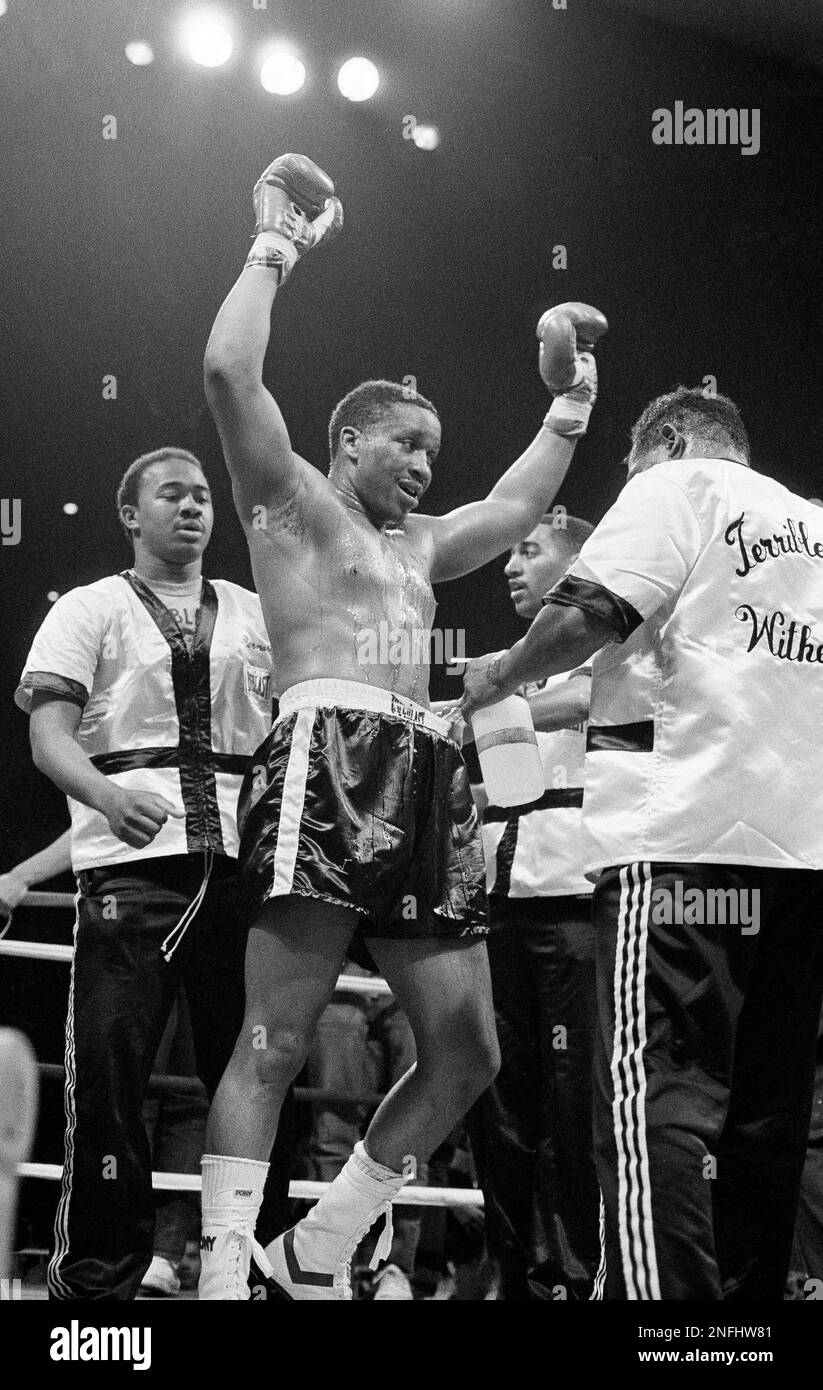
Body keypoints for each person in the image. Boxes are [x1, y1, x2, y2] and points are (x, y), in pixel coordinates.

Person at [197, 151, 606, 1299]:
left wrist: (570, 393)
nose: (425, 465)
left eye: (432, 449)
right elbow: (230, 371)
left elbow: (522, 501)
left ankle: (320, 1246)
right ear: (348, 444)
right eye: (405, 445)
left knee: (469, 1051)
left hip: (425, 769)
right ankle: (226, 1266)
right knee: (276, 1038)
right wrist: (274, 243)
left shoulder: (425, 547)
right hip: (324, 750)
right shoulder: (291, 504)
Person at [461, 385, 823, 1300]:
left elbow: (588, 616)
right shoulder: (814, 524)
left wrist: (495, 678)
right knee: (764, 1116)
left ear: (664, 440)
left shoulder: (674, 487)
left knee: (653, 1096)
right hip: (801, 856)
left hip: (681, 843)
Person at [14, 447, 292, 1299]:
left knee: (257, 1072)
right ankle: (98, 1282)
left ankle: (250, 1271)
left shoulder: (255, 611)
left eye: (204, 495)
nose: (193, 507)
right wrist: (103, 794)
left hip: (243, 879)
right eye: (171, 494)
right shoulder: (91, 608)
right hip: (130, 878)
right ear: (131, 514)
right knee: (109, 1082)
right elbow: (48, 733)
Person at [465, 513, 600, 1300]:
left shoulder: (613, 649)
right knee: (499, 1101)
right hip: (496, 904)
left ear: (580, 561)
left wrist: (497, 694)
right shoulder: (498, 668)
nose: (510, 565)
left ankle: (578, 1276)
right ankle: (511, 1276)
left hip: (577, 902)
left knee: (576, 1104)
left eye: (529, 549)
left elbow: (582, 698)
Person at [303, 965, 427, 1300]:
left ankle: (395, 1267)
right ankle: (329, 1262)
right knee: (334, 1131)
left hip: (409, 972)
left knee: (414, 1132)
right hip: (341, 973)